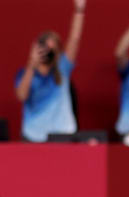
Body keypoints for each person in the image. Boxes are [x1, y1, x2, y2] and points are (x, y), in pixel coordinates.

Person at [14, 0, 86, 142]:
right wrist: (31, 65)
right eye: (45, 47)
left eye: (52, 49)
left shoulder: (62, 69)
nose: (48, 52)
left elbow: (74, 39)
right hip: (33, 137)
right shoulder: (25, 73)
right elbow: (21, 96)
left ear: (58, 51)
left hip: (62, 136)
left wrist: (79, 10)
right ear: (36, 48)